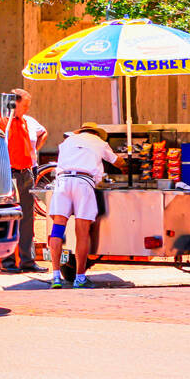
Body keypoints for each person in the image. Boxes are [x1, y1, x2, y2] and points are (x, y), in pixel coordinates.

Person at [47, 123, 127, 289]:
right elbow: (117, 162)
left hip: (62, 183)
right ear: (96, 133)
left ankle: (55, 277)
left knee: (57, 230)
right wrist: (128, 165)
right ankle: (80, 278)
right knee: (82, 233)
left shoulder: (67, 141)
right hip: (83, 184)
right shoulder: (99, 142)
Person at [0, 88, 47, 272]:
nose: (27, 109)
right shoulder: (0, 121)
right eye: (25, 105)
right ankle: (7, 262)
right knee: (9, 217)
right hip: (9, 173)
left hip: (25, 172)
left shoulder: (22, 121)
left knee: (27, 218)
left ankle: (27, 261)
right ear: (13, 103)